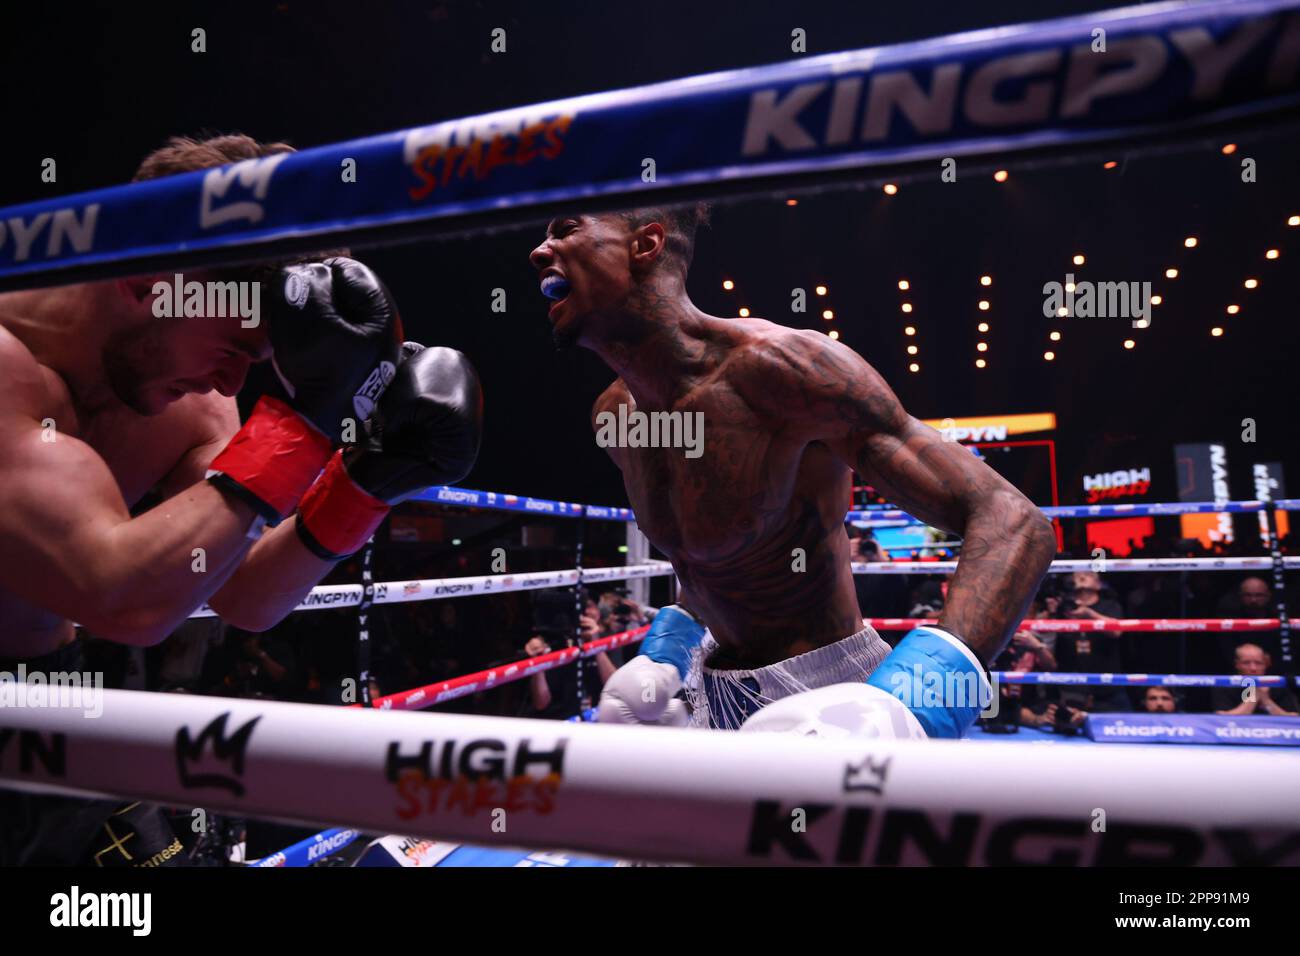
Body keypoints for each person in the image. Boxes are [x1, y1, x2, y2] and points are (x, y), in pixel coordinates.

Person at [0, 134, 485, 864]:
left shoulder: (189, 405)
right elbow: (118, 593)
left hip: (75, 703)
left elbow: (245, 593)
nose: (232, 387)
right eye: (231, 350)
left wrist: (365, 482)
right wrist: (303, 426)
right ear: (148, 276)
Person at [529, 207, 1056, 734]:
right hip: (713, 690)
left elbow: (1013, 520)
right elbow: (709, 550)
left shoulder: (780, 371)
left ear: (645, 245)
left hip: (837, 695)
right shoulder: (616, 416)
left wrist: (914, 703)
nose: (539, 250)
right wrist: (669, 646)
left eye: (565, 228)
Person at [1211, 643, 1298, 716]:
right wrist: (1254, 694)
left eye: (1258, 663)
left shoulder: (1279, 683)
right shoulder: (1225, 684)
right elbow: (1222, 719)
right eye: (1246, 663)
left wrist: (1266, 700)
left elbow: (1292, 719)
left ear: (1266, 664)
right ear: (1237, 664)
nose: (1253, 668)